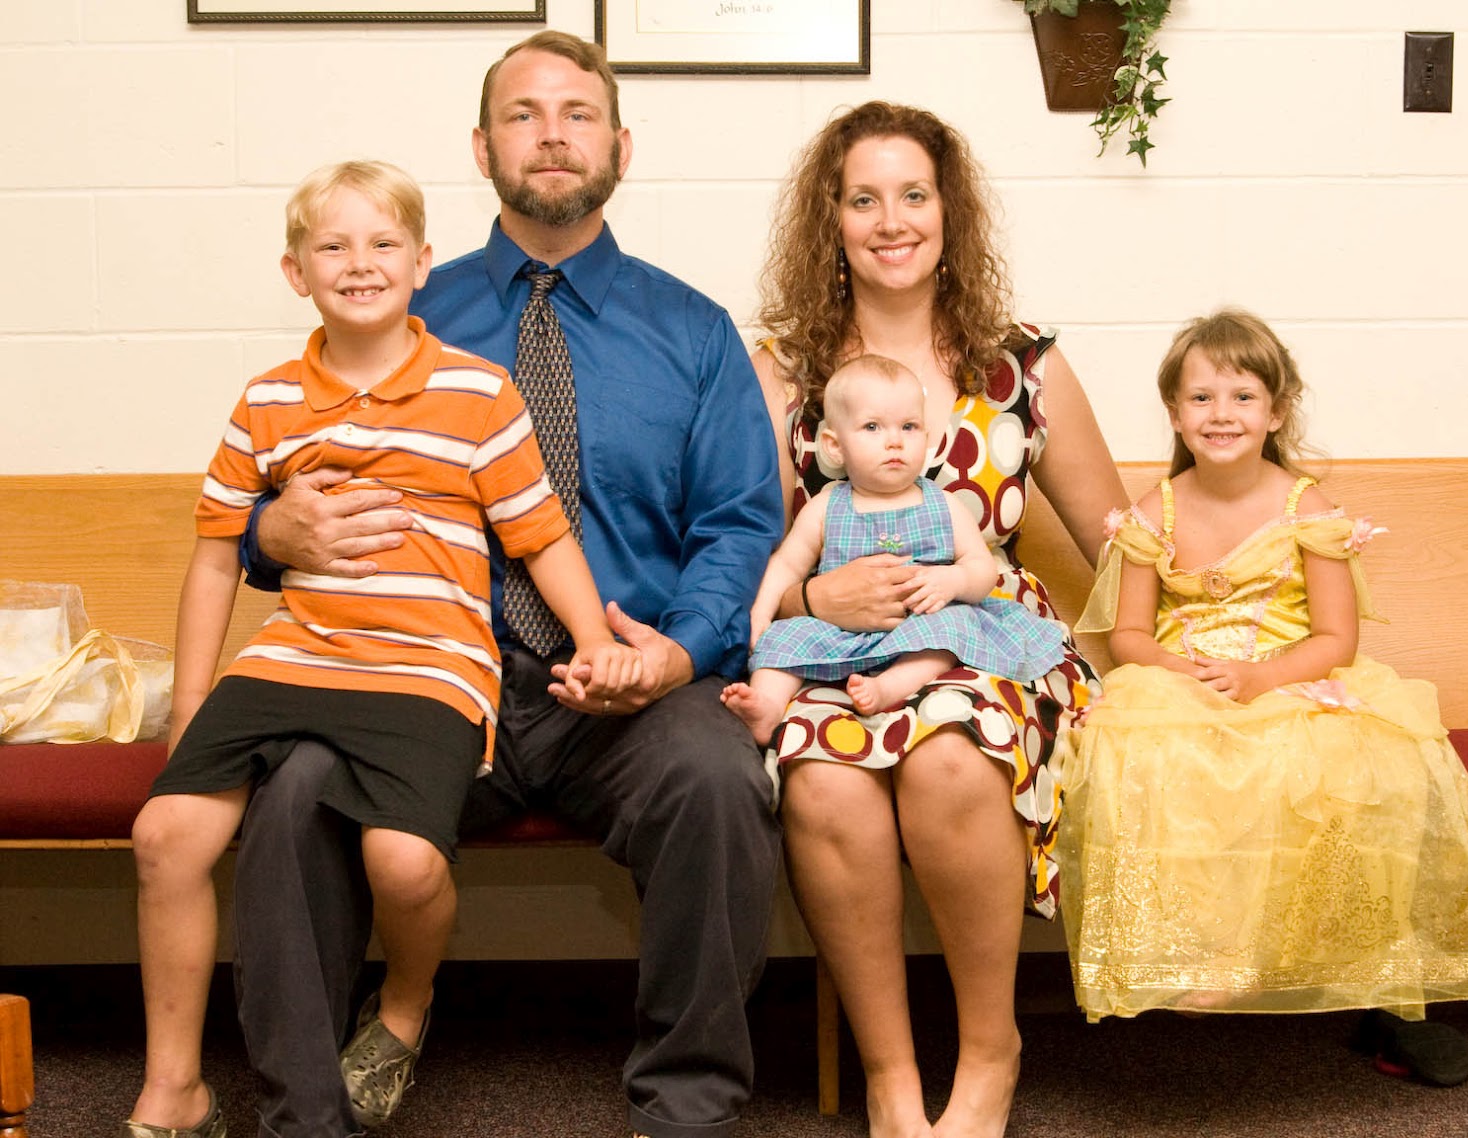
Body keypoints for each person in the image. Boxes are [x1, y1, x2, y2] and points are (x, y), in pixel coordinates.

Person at [227, 32, 785, 1138]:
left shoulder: (693, 331)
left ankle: (687, 1107)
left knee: (718, 781)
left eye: (578, 113)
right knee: (296, 791)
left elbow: (737, 525)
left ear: (621, 145)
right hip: (426, 681)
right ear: (481, 148)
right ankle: (304, 1115)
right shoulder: (395, 311)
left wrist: (673, 653)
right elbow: (274, 475)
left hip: (630, 687)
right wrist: (266, 533)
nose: (552, 135)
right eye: (524, 114)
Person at [122, 159, 641, 1138]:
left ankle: (405, 1001)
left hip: (430, 667)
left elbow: (541, 535)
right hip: (299, 653)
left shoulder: (477, 391)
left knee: (403, 863)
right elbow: (216, 557)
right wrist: (189, 703)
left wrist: (591, 640)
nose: (359, 263)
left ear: (422, 264)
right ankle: (174, 1086)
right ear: (296, 272)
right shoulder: (268, 399)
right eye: (333, 246)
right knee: (164, 835)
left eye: (382, 243)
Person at [752, 102, 1127, 1138]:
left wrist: (1193, 638)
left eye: (913, 195)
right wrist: (812, 599)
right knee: (823, 776)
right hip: (833, 649)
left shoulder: (1022, 366)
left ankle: (990, 1052)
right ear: (829, 219)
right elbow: (749, 554)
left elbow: (1122, 543)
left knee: (951, 757)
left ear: (948, 211)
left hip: (989, 638)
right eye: (863, 199)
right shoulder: (783, 369)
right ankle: (889, 1073)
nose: (891, 221)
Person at [1060, 308, 1468, 1078]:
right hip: (1185, 681)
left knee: (1355, 768)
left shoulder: (1308, 512)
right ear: (1174, 413)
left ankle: (1363, 989)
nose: (1221, 413)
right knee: (1150, 759)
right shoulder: (1152, 514)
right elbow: (1127, 635)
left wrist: (1259, 679)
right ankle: (1199, 953)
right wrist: (1180, 672)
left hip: (1291, 676)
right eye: (1201, 398)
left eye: (1242, 396)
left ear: (1277, 411)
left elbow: (1335, 639)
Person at [723, 353, 1064, 736]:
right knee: (783, 640)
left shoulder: (943, 504)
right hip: (839, 628)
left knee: (953, 627)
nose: (895, 442)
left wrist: (952, 581)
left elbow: (982, 569)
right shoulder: (825, 508)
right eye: (872, 427)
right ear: (834, 445)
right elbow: (787, 565)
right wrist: (760, 616)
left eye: (909, 426)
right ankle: (766, 707)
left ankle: (890, 687)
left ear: (927, 438)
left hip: (920, 624)